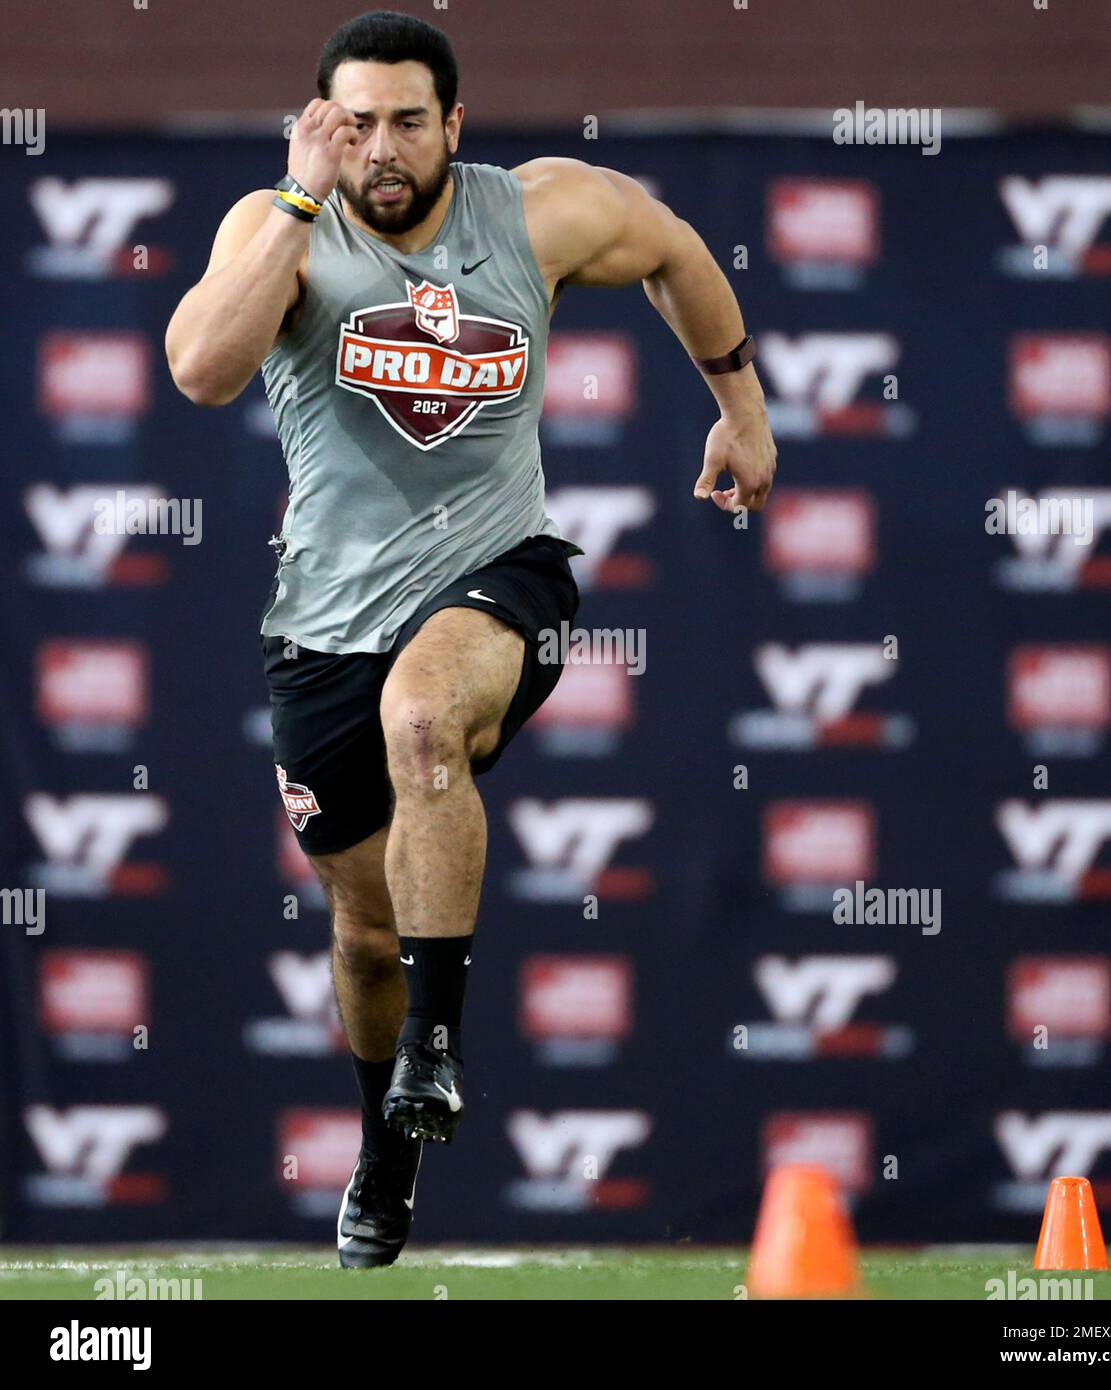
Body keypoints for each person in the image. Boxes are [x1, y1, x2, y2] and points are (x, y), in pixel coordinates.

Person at [165, 9, 776, 1268]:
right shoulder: (277, 224)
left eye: (404, 121)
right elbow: (199, 371)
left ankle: (437, 1051)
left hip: (503, 575)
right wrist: (295, 196)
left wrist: (742, 410)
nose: (380, 149)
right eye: (354, 123)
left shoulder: (536, 212)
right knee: (363, 929)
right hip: (326, 622)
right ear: (319, 123)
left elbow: (671, 248)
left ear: (453, 125)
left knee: (427, 717)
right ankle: (386, 1139)